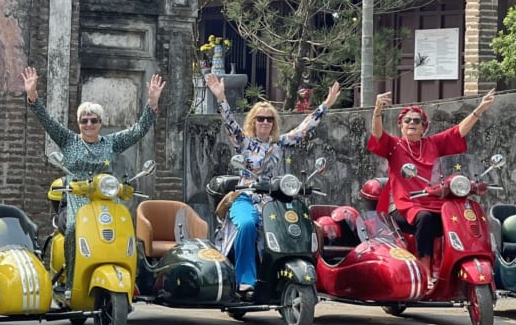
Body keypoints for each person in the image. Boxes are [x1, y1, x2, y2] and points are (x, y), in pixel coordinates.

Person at [22, 66, 165, 295]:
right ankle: (70, 282)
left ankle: (130, 279)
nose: (89, 124)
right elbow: (47, 121)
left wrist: (152, 103)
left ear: (101, 122)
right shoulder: (68, 141)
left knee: (123, 228)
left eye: (94, 120)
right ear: (79, 122)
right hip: (76, 199)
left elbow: (138, 131)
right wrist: (32, 95)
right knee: (73, 229)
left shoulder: (110, 143)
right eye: (84, 120)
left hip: (106, 201)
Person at [206, 73, 340, 299]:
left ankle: (279, 277)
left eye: (269, 119)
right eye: (260, 118)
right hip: (245, 198)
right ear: (253, 122)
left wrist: (326, 105)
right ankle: (245, 281)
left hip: (272, 201)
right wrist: (220, 96)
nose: (265, 122)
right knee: (248, 225)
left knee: (293, 228)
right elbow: (229, 122)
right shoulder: (244, 142)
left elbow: (304, 129)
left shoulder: (280, 143)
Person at [367, 88, 495, 290]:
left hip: (438, 203)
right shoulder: (395, 145)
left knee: (463, 216)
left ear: (424, 127)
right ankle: (424, 269)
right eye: (407, 120)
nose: (411, 123)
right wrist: (377, 111)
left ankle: (459, 265)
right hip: (405, 205)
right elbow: (378, 136)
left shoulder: (433, 144)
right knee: (424, 217)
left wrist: (480, 109)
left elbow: (458, 131)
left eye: (416, 121)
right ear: (400, 125)